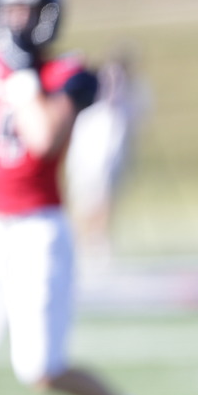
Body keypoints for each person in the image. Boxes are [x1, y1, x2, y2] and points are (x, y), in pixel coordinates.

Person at [0, 0, 166, 395]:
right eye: (11, 11)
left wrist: (23, 77)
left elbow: (42, 139)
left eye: (29, 12)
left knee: (41, 371)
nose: (18, 22)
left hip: (37, 229)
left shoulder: (70, 73)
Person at [66, 44, 148, 267]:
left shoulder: (130, 90)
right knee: (85, 197)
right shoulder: (92, 86)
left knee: (105, 196)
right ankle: (84, 242)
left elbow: (136, 116)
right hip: (88, 148)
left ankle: (99, 241)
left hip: (110, 150)